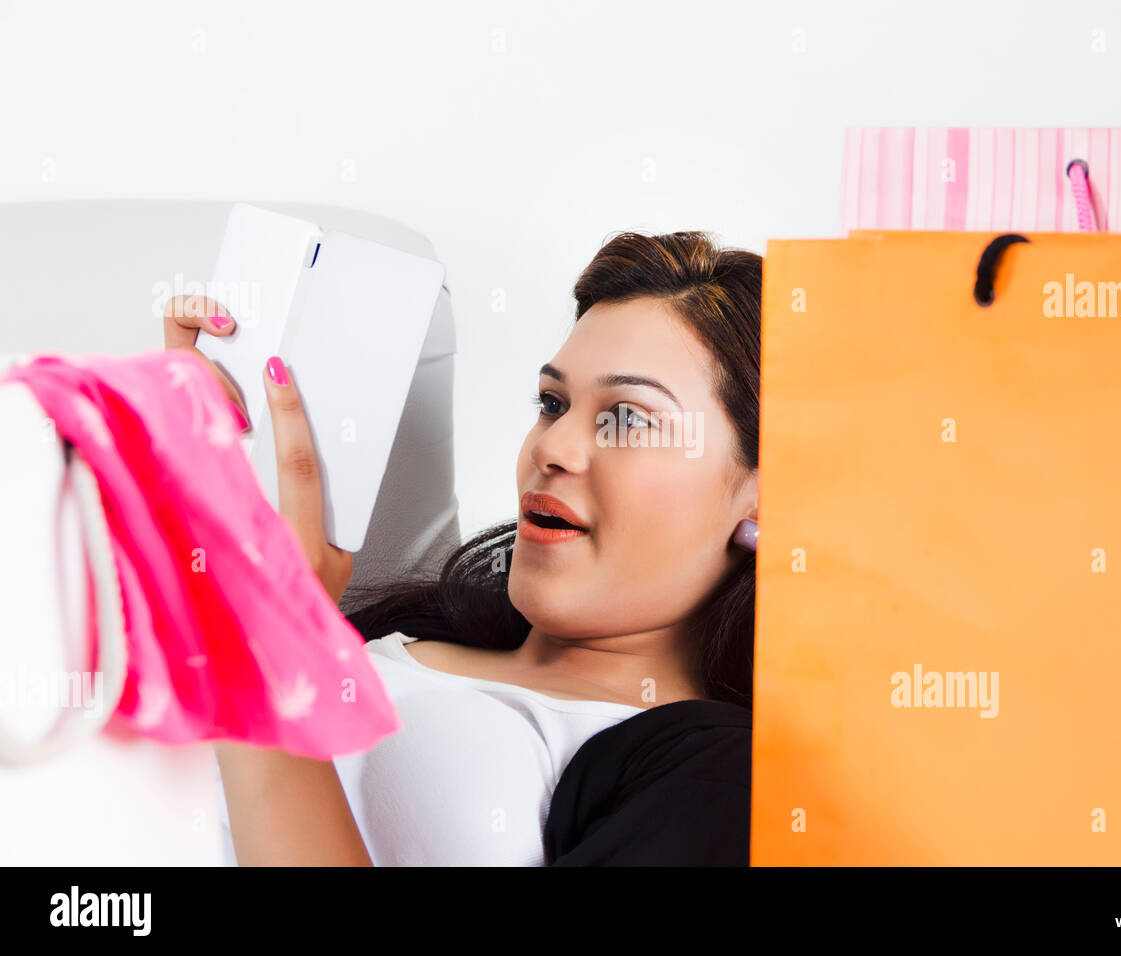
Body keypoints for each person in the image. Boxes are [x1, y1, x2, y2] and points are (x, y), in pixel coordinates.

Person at [168, 230, 760, 865]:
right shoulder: (395, 627)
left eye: (627, 418)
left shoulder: (717, 776)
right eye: (552, 403)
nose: (550, 449)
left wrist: (270, 655)